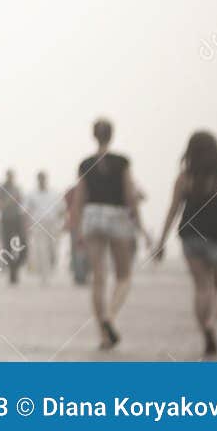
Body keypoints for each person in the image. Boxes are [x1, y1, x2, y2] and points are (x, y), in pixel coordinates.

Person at [154, 131, 217, 357]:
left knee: (201, 287)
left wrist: (161, 242)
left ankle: (204, 330)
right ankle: (211, 323)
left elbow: (173, 210)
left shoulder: (184, 178)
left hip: (191, 237)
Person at [66, 117, 150, 351]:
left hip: (92, 217)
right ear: (111, 135)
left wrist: (77, 228)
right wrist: (141, 226)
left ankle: (103, 335)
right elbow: (130, 195)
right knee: (123, 275)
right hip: (117, 218)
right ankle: (110, 317)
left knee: (98, 278)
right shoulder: (122, 162)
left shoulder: (85, 164)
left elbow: (79, 199)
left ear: (94, 135)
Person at [24, 170, 63, 285]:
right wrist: (27, 225)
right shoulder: (31, 194)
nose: (41, 180)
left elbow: (62, 209)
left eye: (43, 178)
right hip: (38, 225)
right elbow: (26, 210)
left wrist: (61, 224)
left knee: (53, 249)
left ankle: (50, 268)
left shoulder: (54, 193)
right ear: (37, 179)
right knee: (41, 249)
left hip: (53, 225)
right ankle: (44, 276)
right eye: (40, 178)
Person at [0, 170, 28, 285]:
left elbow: (22, 203)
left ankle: (16, 267)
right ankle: (12, 271)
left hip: (17, 219)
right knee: (7, 247)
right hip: (6, 220)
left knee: (23, 245)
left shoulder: (17, 188)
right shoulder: (1, 190)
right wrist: (9, 201)